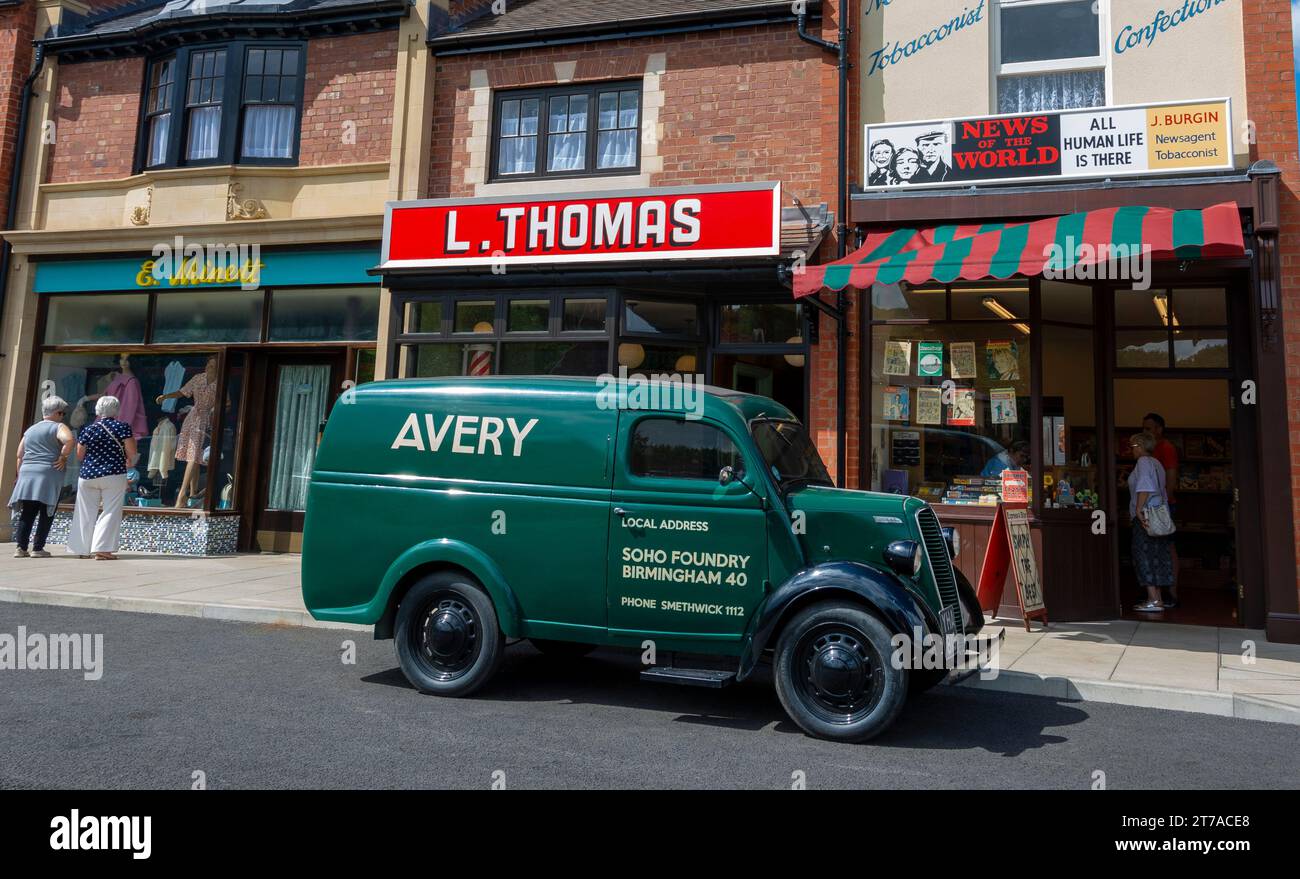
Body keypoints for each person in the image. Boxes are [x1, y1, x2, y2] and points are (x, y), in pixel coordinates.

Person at [67, 395, 137, 561]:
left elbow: (79, 454)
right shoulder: (122, 427)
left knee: (84, 512)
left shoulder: (88, 429)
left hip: (87, 475)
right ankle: (102, 549)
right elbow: (132, 452)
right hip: (114, 473)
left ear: (98, 410)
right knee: (110, 511)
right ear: (116, 410)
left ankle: (81, 548)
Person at [9, 396, 75, 558]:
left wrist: (20, 474)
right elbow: (69, 440)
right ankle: (38, 548)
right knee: (47, 510)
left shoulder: (30, 430)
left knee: (28, 512)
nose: (63, 416)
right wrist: (63, 457)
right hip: (48, 473)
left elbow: (19, 454)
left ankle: (21, 547)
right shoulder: (58, 426)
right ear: (57, 413)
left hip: (27, 473)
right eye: (62, 413)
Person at [156, 355, 218, 509]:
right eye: (210, 365)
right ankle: (191, 493)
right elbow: (182, 392)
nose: (211, 369)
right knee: (193, 455)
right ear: (206, 366)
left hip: (207, 419)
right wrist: (166, 396)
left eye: (215, 366)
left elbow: (227, 403)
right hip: (192, 418)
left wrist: (213, 410)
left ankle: (182, 495)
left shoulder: (220, 382)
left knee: (194, 455)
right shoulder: (198, 378)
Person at [1128, 432, 1173, 613]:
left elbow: (1145, 486)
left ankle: (1153, 598)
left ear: (1139, 445)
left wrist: (1138, 509)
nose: (1131, 451)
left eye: (1132, 446)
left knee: (1142, 553)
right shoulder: (1157, 464)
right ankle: (1158, 598)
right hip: (1158, 515)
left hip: (1145, 515)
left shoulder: (1143, 462)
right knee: (1156, 555)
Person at [1142, 412, 1179, 609]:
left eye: (1148, 428)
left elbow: (1171, 477)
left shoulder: (1166, 448)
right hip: (1153, 506)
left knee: (1167, 547)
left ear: (1159, 429)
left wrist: (1165, 502)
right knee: (1155, 548)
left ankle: (1172, 591)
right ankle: (1158, 591)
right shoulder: (1149, 451)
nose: (1145, 432)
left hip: (1162, 506)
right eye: (1144, 428)